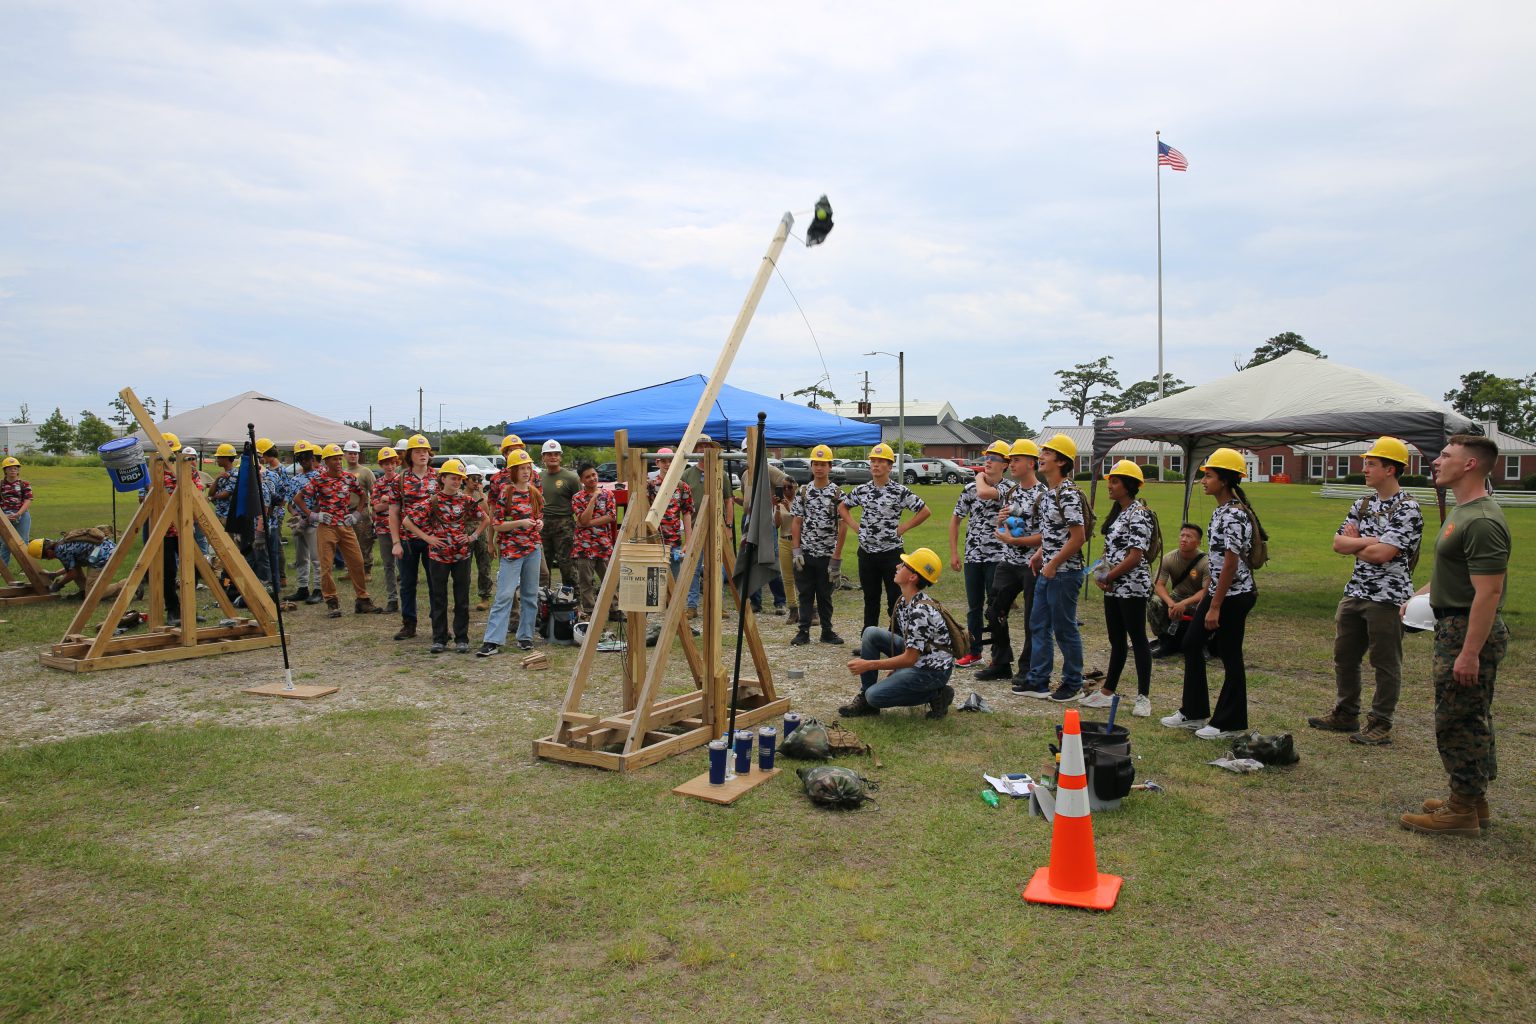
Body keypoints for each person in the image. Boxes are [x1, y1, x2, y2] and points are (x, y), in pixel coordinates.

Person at [1400, 433, 1511, 837]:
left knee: (1458, 718)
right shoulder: (1463, 511)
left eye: (1446, 455)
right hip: (1453, 624)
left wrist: (1469, 653)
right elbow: (1459, 572)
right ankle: (1473, 798)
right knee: (1467, 713)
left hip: (1467, 630)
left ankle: (1461, 810)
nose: (1436, 461)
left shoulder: (1480, 519)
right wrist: (1422, 593)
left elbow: (1490, 591)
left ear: (1469, 465)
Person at [1308, 436, 1424, 746]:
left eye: (1371, 464)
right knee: (1344, 656)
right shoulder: (1362, 503)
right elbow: (1337, 544)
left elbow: (1383, 555)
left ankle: (1381, 723)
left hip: (1388, 597)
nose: (1365, 469)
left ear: (1391, 469)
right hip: (1355, 592)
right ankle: (1346, 713)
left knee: (1385, 662)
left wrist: (1358, 543)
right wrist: (1369, 542)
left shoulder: (1408, 508)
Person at [1161, 448, 1262, 740]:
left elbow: (1231, 561)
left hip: (1233, 595)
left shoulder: (1232, 514)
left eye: (1209, 475)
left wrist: (1215, 604)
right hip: (1220, 592)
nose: (1203, 480)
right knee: (1191, 642)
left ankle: (1230, 723)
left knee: (1230, 654)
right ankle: (1194, 712)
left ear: (1226, 480)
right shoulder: (1222, 510)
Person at [837, 547, 956, 719]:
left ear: (913, 577)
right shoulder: (903, 602)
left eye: (904, 565)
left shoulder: (920, 611)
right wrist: (896, 667)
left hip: (932, 671)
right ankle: (865, 700)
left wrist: (868, 664)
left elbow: (910, 658)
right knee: (871, 633)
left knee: (875, 696)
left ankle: (936, 694)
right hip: (920, 657)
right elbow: (909, 645)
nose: (897, 567)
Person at [1017, 434, 1087, 701]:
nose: (1041, 456)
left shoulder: (1068, 493)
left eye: (1047, 452)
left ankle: (1072, 682)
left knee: (1064, 628)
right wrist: (1040, 554)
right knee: (1039, 624)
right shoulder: (1050, 495)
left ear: (1060, 461)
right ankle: (1038, 680)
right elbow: (1054, 535)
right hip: (1049, 569)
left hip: (1065, 573)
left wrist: (1055, 562)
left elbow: (1077, 537)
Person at [1086, 460, 1156, 716]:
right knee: (1116, 640)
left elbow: (1136, 555)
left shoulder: (1139, 513)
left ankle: (1143, 698)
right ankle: (1107, 692)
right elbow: (1111, 550)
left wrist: (1108, 576)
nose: (1110, 486)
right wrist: (1101, 573)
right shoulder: (1119, 512)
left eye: (1115, 481)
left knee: (1138, 639)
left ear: (1128, 485)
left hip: (1132, 587)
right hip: (1114, 586)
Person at [975, 439, 1046, 690]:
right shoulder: (1010, 492)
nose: (1011, 464)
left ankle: (1027, 669)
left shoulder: (1043, 495)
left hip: (1032, 563)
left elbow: (1049, 536)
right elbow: (1003, 525)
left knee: (1031, 619)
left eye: (1016, 460)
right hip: (1008, 561)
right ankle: (1001, 662)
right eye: (1010, 460)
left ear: (1031, 463)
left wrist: (1015, 538)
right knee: (994, 610)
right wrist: (1001, 522)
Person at [839, 442, 931, 631]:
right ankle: (868, 641)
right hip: (867, 553)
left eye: (881, 461)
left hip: (891, 554)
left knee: (895, 599)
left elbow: (924, 511)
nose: (876, 465)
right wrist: (856, 526)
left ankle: (895, 640)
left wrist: (903, 528)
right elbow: (842, 507)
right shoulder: (862, 490)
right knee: (870, 598)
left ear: (890, 466)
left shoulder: (899, 491)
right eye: (873, 461)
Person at [403, 459, 483, 653]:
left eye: (459, 479)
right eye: (453, 478)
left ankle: (461, 638)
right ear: (443, 479)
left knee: (462, 598)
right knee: (439, 598)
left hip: (461, 556)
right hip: (438, 556)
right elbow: (407, 521)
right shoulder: (433, 501)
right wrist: (428, 538)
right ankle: (439, 638)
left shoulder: (466, 500)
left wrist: (473, 536)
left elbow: (486, 518)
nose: (456, 482)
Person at [296, 444, 377, 618]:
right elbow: (299, 498)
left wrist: (356, 514)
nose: (339, 461)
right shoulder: (319, 480)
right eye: (335, 459)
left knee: (357, 561)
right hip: (326, 527)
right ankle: (332, 602)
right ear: (326, 461)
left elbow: (363, 495)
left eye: (340, 458)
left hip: (346, 525)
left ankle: (362, 600)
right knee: (326, 566)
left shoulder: (349, 478)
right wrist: (313, 516)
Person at [949, 441, 1011, 666]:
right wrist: (955, 553)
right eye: (987, 457)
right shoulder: (969, 490)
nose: (988, 461)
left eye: (994, 458)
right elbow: (955, 520)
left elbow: (985, 493)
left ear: (1005, 464)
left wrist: (977, 477)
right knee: (973, 607)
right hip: (973, 556)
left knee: (995, 607)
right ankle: (974, 652)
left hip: (998, 556)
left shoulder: (1008, 489)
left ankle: (998, 655)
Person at [480, 449, 543, 656]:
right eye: (522, 468)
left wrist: (539, 523)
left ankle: (525, 637)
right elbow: (497, 524)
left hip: (533, 548)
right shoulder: (506, 493)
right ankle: (492, 640)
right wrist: (520, 523)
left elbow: (539, 516)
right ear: (512, 471)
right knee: (505, 594)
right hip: (511, 551)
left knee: (530, 595)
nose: (526, 472)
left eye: (528, 468)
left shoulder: (534, 492)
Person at [790, 444, 848, 646]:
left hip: (827, 554)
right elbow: (796, 521)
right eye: (816, 463)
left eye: (823, 464)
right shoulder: (803, 492)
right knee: (805, 593)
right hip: (806, 553)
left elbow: (843, 526)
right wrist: (796, 550)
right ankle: (803, 631)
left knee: (825, 595)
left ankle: (827, 631)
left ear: (830, 467)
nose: (819, 468)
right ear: (811, 466)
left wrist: (837, 556)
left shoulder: (838, 494)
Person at [388, 434, 437, 640]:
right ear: (410, 455)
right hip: (407, 539)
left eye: (425, 451)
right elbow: (393, 512)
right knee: (408, 583)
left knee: (436, 583)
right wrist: (396, 542)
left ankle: (439, 624)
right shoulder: (400, 480)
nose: (422, 455)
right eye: (417, 452)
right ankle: (409, 624)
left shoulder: (439, 478)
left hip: (432, 539)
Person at [1149, 523, 1211, 658]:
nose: (1184, 539)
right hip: (1176, 598)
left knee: (1208, 604)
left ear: (1198, 542)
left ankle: (1202, 643)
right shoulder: (1169, 558)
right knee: (1154, 601)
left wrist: (1184, 604)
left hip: (1196, 600)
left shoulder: (1206, 562)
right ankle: (1164, 640)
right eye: (1182, 535)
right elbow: (1159, 585)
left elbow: (1205, 591)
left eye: (1189, 536)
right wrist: (1171, 604)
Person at [570, 461, 617, 622]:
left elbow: (611, 516)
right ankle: (590, 610)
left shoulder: (608, 494)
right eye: (587, 477)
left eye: (594, 475)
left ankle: (614, 609)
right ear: (582, 480)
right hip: (584, 546)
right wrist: (592, 500)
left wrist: (587, 523)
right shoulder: (577, 497)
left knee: (608, 580)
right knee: (586, 581)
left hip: (603, 545)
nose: (592, 478)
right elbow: (582, 518)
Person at [284, 441, 324, 604]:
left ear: (312, 457)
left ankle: (319, 589)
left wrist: (308, 517)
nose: (304, 459)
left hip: (314, 522)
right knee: (301, 557)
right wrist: (295, 515)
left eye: (307, 456)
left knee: (317, 557)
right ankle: (302, 587)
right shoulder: (295, 479)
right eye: (300, 457)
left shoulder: (320, 477)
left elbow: (322, 500)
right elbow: (289, 503)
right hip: (299, 523)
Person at [539, 440, 582, 586]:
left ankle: (572, 601)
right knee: (543, 565)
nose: (553, 457)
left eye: (556, 454)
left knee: (567, 564)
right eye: (549, 454)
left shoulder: (571, 478)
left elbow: (580, 502)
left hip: (564, 524)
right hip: (543, 523)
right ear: (543, 457)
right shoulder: (538, 477)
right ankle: (543, 602)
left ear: (561, 457)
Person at [647, 448, 695, 579]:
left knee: (674, 580)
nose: (667, 464)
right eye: (663, 461)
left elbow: (687, 513)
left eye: (670, 461)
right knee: (655, 583)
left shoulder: (682, 486)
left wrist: (688, 541)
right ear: (657, 463)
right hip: (654, 541)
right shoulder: (650, 485)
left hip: (674, 542)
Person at [369, 448, 402, 613]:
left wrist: (387, 499)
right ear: (381, 465)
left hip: (401, 527)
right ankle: (392, 599)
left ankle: (406, 597)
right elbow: (376, 506)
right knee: (388, 564)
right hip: (383, 527)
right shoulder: (379, 483)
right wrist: (391, 502)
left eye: (392, 463)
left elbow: (404, 503)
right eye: (386, 463)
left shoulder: (402, 480)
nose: (390, 467)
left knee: (403, 564)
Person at [342, 440, 377, 582]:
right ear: (344, 455)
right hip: (344, 512)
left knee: (364, 541)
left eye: (356, 454)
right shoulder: (342, 473)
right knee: (347, 543)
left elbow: (374, 492)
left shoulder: (365, 472)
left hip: (361, 512)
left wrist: (374, 509)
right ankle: (351, 570)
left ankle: (367, 570)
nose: (353, 456)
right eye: (350, 453)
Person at [464, 467, 496, 611]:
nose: (477, 482)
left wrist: (481, 493)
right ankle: (462, 598)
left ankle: (485, 597)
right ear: (466, 480)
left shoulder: (481, 495)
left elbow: (487, 513)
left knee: (484, 565)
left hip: (481, 530)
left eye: (479, 479)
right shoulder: (460, 494)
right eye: (474, 479)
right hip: (465, 531)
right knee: (464, 567)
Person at [1, 456, 33, 567]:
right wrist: (4, 516)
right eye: (10, 468)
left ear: (18, 470)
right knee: (5, 543)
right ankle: (3, 569)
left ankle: (28, 568)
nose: (13, 470)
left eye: (15, 468)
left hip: (22, 515)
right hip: (4, 516)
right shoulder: (0, 484)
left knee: (23, 542)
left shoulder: (25, 484)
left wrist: (18, 513)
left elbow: (28, 500)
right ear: (5, 470)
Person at [209, 444, 239, 520]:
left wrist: (212, 498)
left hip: (228, 516)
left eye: (219, 457)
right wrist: (217, 479)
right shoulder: (222, 475)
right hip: (220, 513)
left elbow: (226, 494)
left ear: (226, 458)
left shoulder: (235, 474)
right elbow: (210, 493)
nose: (217, 460)